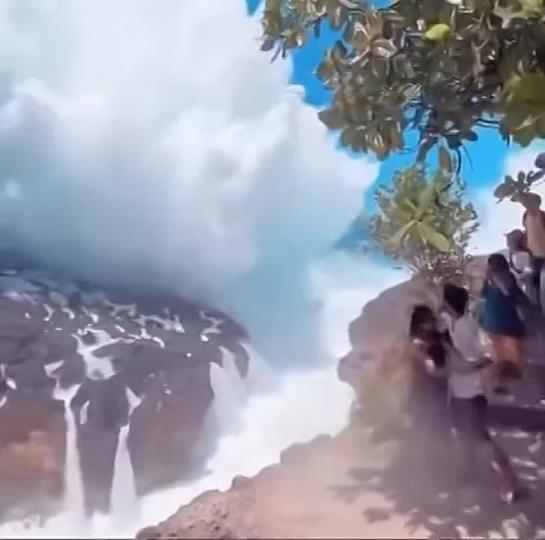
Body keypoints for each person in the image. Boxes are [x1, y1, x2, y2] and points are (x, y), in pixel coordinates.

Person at [411, 299, 524, 503]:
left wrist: (479, 363)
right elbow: (439, 368)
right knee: (463, 438)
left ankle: (511, 482)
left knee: (482, 441)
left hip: (462, 399)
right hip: (445, 401)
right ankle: (466, 476)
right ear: (418, 325)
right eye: (428, 321)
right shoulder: (426, 346)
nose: (434, 322)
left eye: (433, 319)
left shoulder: (440, 344)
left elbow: (450, 368)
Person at [479, 254, 528, 378]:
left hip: (505, 328)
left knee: (512, 363)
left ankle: (516, 383)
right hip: (499, 328)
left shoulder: (505, 278)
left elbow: (512, 294)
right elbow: (482, 296)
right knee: (508, 363)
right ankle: (512, 383)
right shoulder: (489, 282)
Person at [517, 192, 545, 310]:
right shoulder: (526, 216)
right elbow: (528, 234)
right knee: (535, 285)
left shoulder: (542, 216)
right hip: (535, 257)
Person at [506, 229, 536, 305]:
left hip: (527, 288)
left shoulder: (522, 255)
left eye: (509, 241)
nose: (507, 244)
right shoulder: (516, 255)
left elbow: (526, 272)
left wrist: (512, 271)